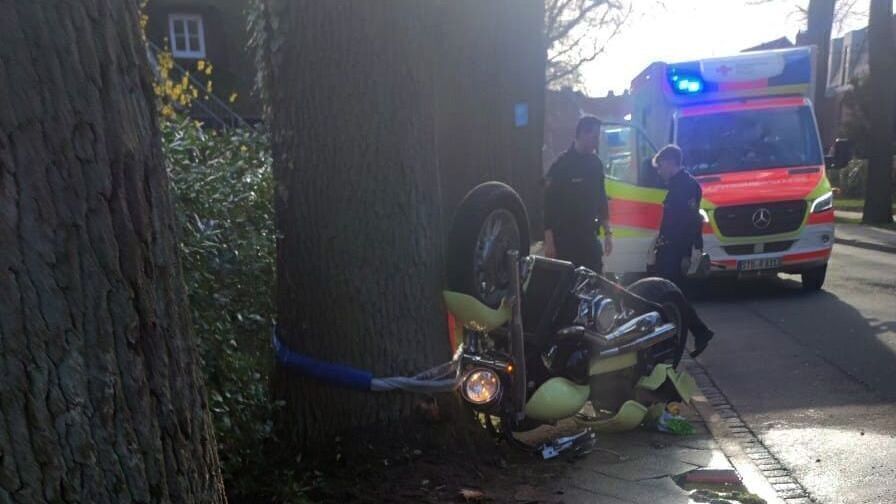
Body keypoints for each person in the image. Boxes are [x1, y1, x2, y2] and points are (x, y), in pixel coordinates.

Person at [651, 144, 714, 357]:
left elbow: (689, 221)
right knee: (673, 295)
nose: (659, 172)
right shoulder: (680, 185)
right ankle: (693, 333)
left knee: (670, 295)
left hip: (676, 251)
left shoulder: (686, 186)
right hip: (672, 248)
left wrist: (685, 251)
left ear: (670, 163)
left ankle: (686, 336)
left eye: (660, 166)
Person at [543, 116, 613, 274]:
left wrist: (608, 233)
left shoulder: (595, 164)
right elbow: (549, 206)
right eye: (594, 136)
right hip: (566, 241)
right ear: (582, 134)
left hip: (589, 237)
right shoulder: (561, 166)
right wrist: (549, 242)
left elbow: (601, 199)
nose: (597, 141)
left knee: (595, 284)